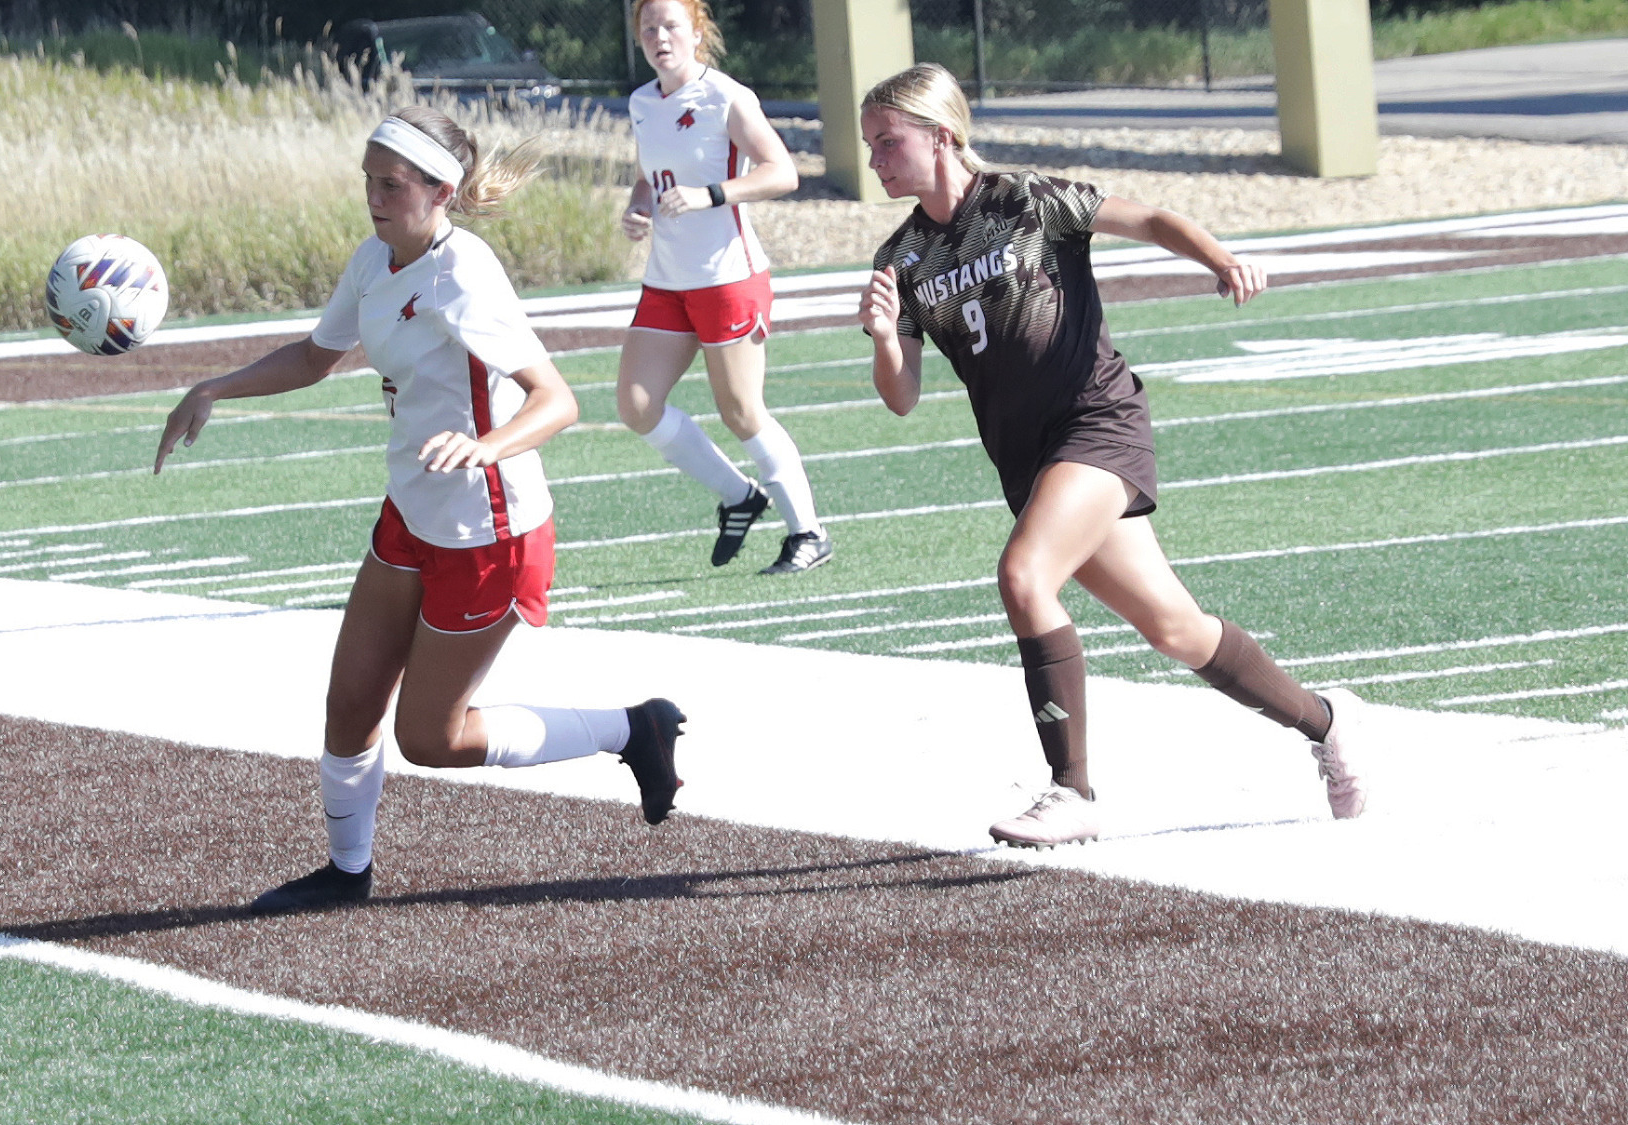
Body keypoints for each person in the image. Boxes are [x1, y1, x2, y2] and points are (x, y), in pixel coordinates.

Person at [155, 107, 687, 913]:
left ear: (441, 190)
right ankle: (346, 872)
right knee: (350, 703)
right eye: (368, 179)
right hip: (412, 506)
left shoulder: (463, 274)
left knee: (430, 739)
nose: (373, 196)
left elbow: (558, 399)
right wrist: (214, 387)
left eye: (391, 183)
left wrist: (489, 445)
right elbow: (314, 354)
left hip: (488, 530)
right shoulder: (375, 260)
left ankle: (632, 728)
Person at [854, 64, 1367, 848]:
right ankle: (1327, 723)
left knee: (1024, 576)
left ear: (943, 134)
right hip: (1029, 462)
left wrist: (1218, 258)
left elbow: (1151, 218)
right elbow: (901, 396)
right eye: (871, 147)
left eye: (889, 141)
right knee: (1175, 628)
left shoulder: (1026, 198)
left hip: (1097, 424)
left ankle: (1072, 791)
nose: (877, 159)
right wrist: (889, 339)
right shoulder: (905, 256)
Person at [616, 0, 831, 575]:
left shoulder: (726, 96)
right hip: (666, 279)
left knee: (741, 411)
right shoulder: (641, 102)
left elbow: (782, 172)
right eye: (649, 28)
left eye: (671, 26)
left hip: (726, 277)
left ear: (697, 31)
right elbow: (646, 178)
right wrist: (637, 210)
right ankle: (739, 496)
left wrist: (712, 193)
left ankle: (809, 533)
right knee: (636, 405)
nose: (660, 37)